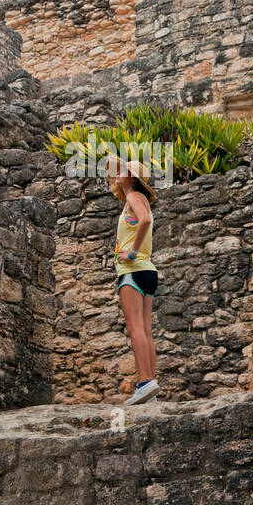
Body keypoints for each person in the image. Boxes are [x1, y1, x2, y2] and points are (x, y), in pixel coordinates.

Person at [107, 155, 159, 404]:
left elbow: (145, 222)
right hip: (147, 271)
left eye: (123, 170)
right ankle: (150, 387)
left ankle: (145, 382)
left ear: (133, 178)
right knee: (146, 330)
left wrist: (132, 252)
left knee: (135, 328)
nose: (118, 173)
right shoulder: (139, 199)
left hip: (133, 270)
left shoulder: (132, 197)